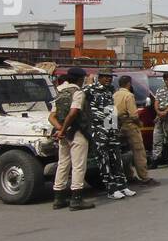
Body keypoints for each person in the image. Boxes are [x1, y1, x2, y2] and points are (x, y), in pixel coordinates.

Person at [49, 66, 94, 210]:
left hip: (64, 134)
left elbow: (51, 116)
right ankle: (76, 200)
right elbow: (74, 112)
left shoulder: (60, 91)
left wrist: (60, 130)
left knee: (63, 164)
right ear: (80, 79)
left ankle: (58, 198)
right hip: (78, 132)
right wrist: (63, 129)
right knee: (78, 166)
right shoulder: (78, 92)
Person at [83, 72, 134, 201]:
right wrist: (89, 83)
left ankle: (122, 185)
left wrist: (115, 126)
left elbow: (111, 109)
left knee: (116, 157)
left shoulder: (110, 89)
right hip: (99, 127)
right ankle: (111, 188)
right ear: (99, 78)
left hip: (111, 125)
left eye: (110, 77)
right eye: (105, 77)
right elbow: (82, 100)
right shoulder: (91, 90)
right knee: (104, 159)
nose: (108, 79)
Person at [113, 76, 156, 186]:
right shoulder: (129, 95)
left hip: (118, 125)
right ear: (129, 84)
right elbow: (133, 115)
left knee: (125, 152)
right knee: (139, 152)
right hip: (130, 125)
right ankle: (144, 177)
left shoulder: (115, 95)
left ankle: (129, 175)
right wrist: (139, 123)